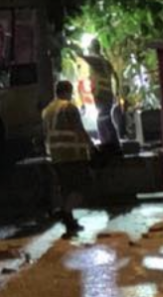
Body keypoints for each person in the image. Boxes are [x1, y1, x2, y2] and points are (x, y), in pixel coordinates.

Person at [42, 80, 95, 237]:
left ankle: (69, 221)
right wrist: (91, 146)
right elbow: (79, 130)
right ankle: (65, 213)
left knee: (66, 188)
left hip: (56, 156)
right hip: (72, 155)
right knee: (81, 187)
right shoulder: (69, 107)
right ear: (68, 91)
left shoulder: (47, 110)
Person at [80, 39, 121, 154]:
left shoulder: (95, 60)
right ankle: (111, 143)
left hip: (101, 94)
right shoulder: (105, 61)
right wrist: (117, 92)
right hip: (108, 94)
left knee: (103, 119)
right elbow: (116, 77)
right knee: (105, 118)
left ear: (93, 48)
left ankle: (110, 144)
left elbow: (82, 56)